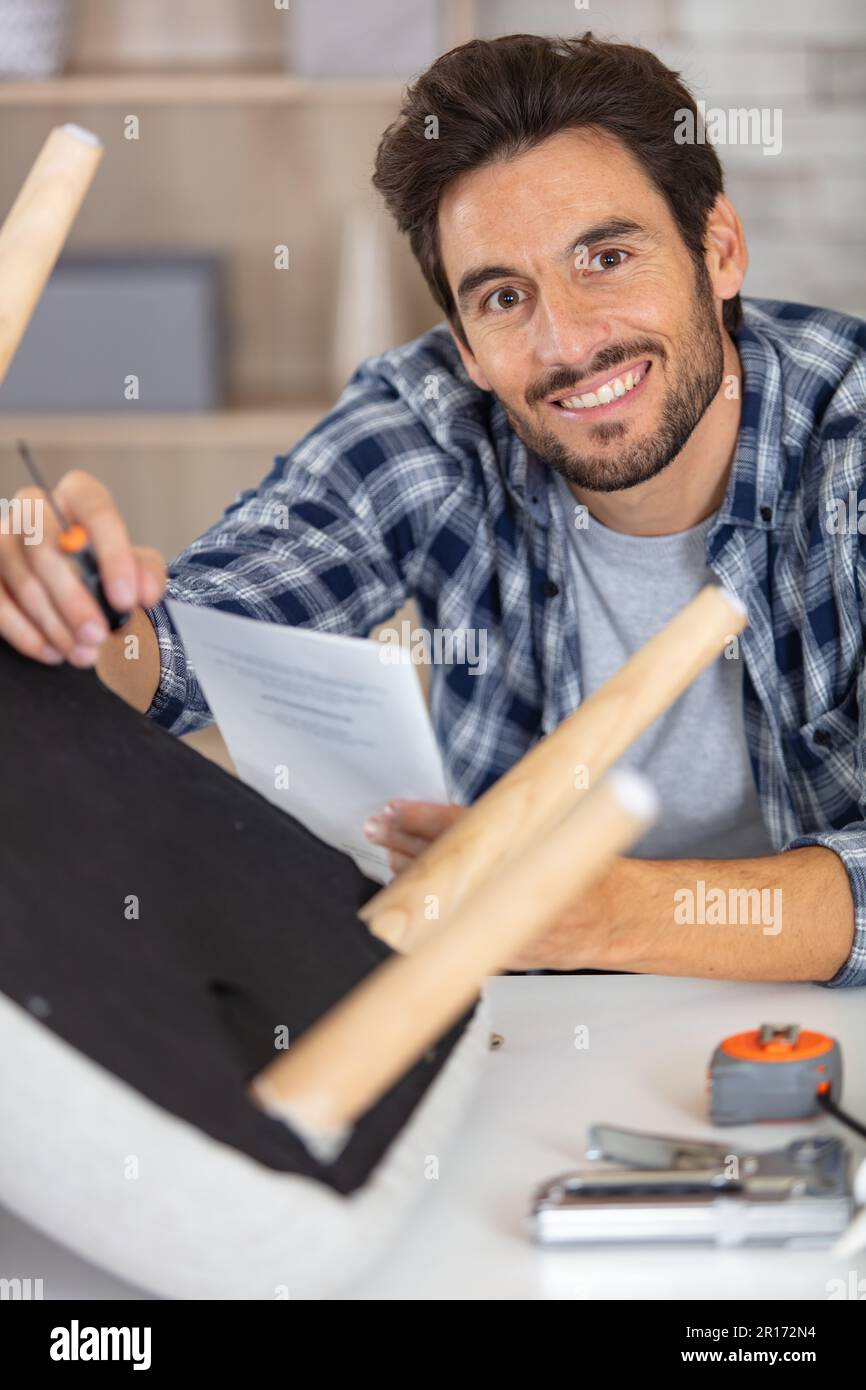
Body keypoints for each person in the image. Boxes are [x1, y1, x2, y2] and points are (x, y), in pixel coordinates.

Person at [2, 35, 864, 985]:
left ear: (720, 249)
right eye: (504, 296)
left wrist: (614, 915)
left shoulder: (849, 445)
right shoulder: (430, 425)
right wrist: (69, 618)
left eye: (607, 256)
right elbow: (193, 640)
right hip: (519, 1030)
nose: (567, 341)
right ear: (465, 348)